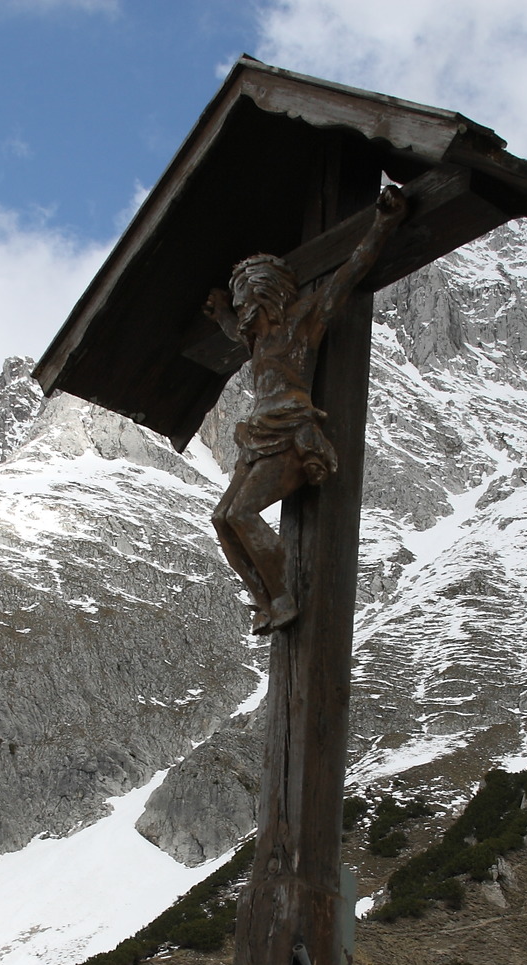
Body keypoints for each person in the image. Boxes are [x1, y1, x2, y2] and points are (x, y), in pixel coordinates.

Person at [205, 183, 408, 634]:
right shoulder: (255, 339)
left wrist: (383, 223)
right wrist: (219, 309)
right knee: (221, 518)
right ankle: (263, 598)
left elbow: (351, 271)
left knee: (241, 514)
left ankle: (282, 596)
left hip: (292, 429)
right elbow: (232, 332)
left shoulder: (302, 322)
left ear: (264, 296)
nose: (239, 313)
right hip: (257, 436)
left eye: (243, 303)